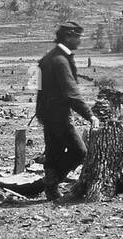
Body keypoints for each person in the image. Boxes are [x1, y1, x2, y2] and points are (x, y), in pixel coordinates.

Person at [30, 21, 97, 201]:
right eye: (77, 37)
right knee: (79, 151)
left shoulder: (49, 57)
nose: (79, 41)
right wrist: (89, 115)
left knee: (54, 152)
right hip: (58, 114)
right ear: (68, 37)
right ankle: (51, 183)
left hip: (47, 112)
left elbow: (38, 87)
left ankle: (51, 190)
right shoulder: (59, 60)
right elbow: (71, 92)